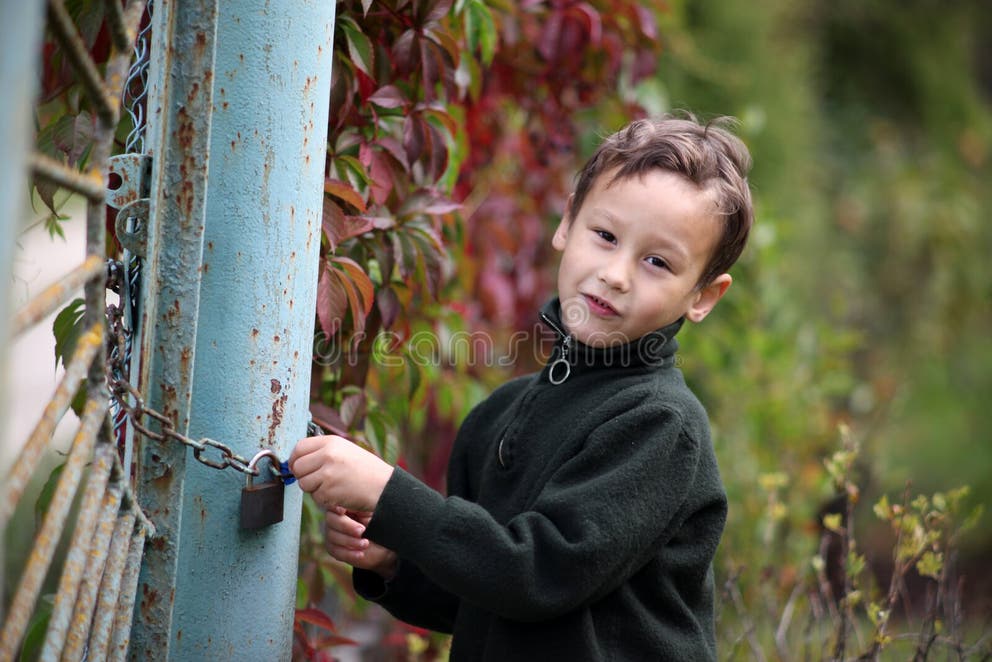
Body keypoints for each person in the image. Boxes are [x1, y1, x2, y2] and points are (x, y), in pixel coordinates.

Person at [290, 113, 754, 661]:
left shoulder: (659, 425)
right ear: (567, 223)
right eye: (605, 236)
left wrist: (393, 495)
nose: (617, 274)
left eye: (657, 262)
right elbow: (484, 592)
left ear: (703, 295)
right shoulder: (500, 414)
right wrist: (396, 559)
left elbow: (540, 574)